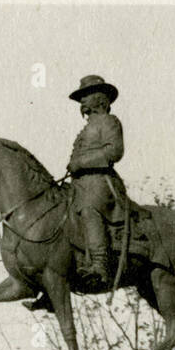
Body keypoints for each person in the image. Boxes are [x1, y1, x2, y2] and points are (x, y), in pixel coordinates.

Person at [66, 75, 125, 288]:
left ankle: (100, 265)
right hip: (80, 183)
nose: (82, 101)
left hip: (101, 182)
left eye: (86, 96)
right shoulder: (86, 128)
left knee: (89, 208)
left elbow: (114, 151)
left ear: (100, 99)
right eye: (81, 97)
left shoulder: (109, 121)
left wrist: (80, 163)